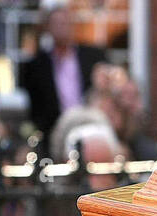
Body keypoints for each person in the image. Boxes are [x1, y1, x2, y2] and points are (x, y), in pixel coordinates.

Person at [18, 4, 106, 157]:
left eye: (65, 23)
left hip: (91, 126)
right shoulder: (36, 66)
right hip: (53, 134)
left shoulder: (93, 57)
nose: (61, 28)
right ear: (47, 27)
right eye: (56, 24)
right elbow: (34, 111)